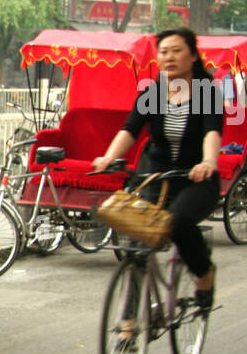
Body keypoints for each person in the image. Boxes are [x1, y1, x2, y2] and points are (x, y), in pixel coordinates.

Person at [91, 27, 222, 318]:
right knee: (136, 247)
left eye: (176, 51)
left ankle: (204, 274)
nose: (169, 57)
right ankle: (128, 322)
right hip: (155, 178)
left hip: (196, 179)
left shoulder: (207, 93)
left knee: (179, 222)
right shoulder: (152, 93)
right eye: (163, 52)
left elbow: (211, 132)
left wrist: (208, 162)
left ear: (193, 55)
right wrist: (109, 157)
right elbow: (130, 130)